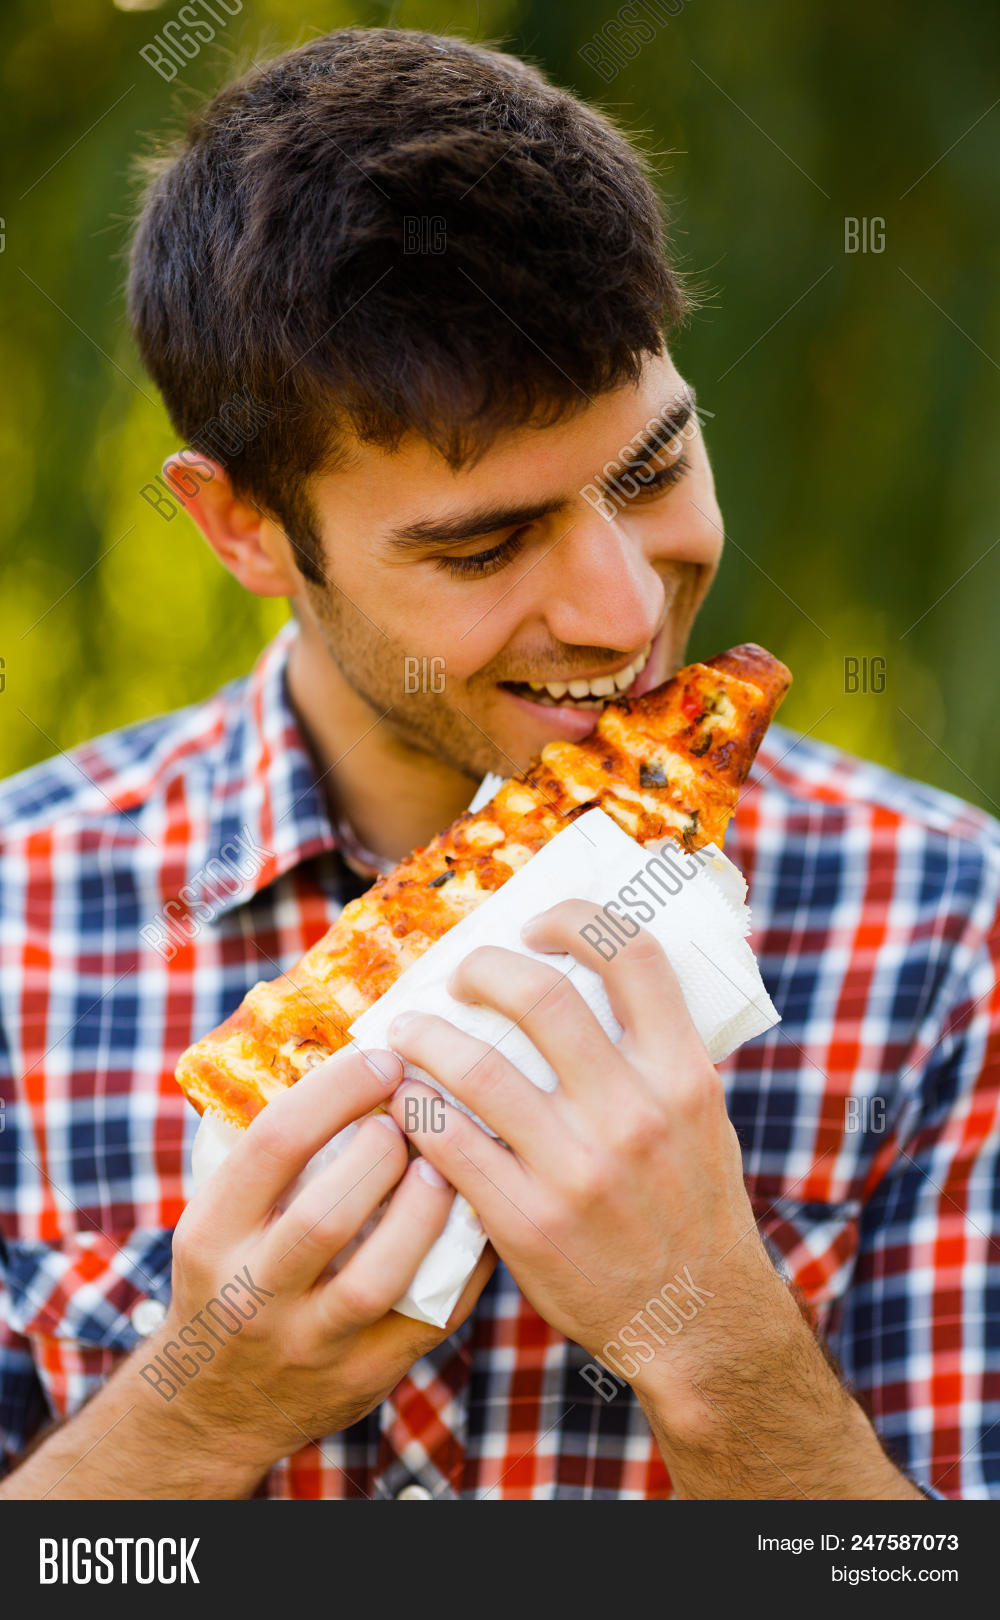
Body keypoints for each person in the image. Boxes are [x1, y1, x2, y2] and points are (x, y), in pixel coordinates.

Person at [1, 27, 996, 1500]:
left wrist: (718, 1347)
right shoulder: (22, 925)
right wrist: (197, 1416)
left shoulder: (947, 937)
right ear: (243, 528)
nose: (623, 608)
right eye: (482, 544)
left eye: (652, 470)